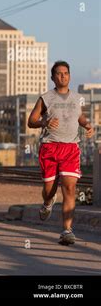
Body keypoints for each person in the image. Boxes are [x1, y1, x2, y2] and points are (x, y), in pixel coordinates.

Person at [28, 61, 94, 245]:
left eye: (65, 73)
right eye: (58, 73)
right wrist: (44, 123)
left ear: (70, 76)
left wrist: (87, 125)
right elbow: (31, 121)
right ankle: (48, 202)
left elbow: (78, 116)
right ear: (53, 77)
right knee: (49, 190)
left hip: (71, 148)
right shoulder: (46, 98)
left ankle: (66, 230)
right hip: (50, 147)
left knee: (70, 188)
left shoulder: (77, 98)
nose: (62, 76)